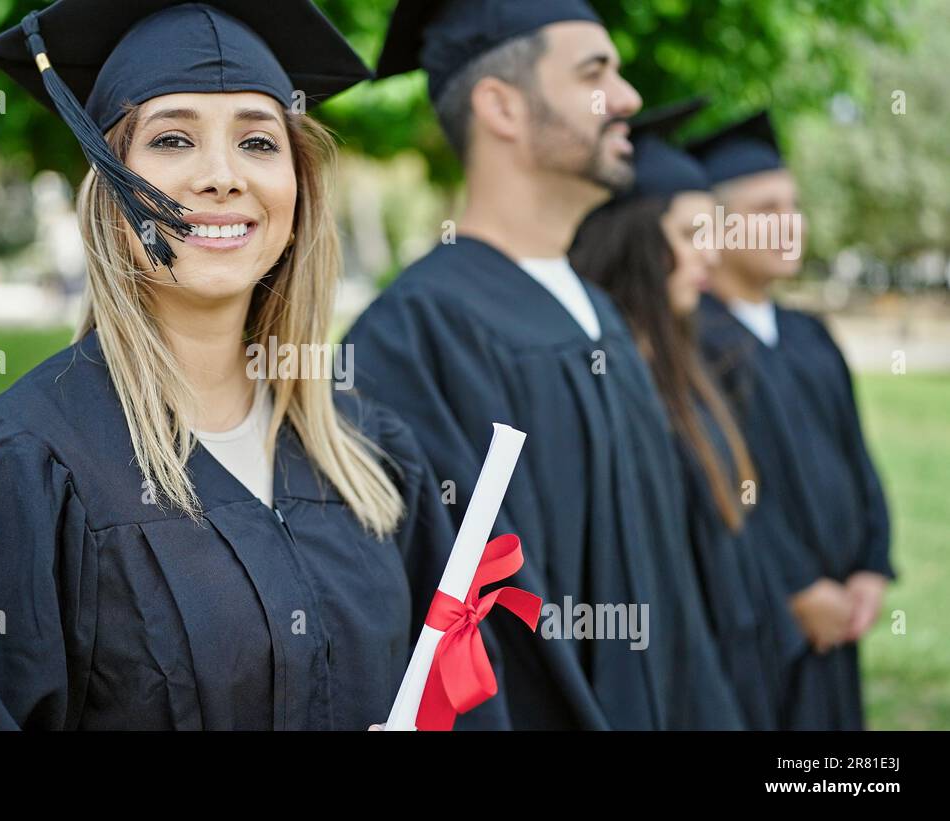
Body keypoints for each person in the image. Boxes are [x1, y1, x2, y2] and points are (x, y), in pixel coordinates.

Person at [0, 0, 506, 731]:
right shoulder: (19, 467)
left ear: (299, 185)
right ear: (108, 181)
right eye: (174, 138)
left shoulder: (373, 461)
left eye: (258, 142)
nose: (222, 176)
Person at [345, 0, 743, 729]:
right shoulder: (415, 338)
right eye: (596, 73)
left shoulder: (597, 311)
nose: (628, 98)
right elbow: (458, 642)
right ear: (501, 105)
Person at [570, 99, 806, 729]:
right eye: (691, 235)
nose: (710, 253)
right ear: (641, 242)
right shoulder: (601, 379)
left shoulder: (696, 364)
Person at [688, 111, 894, 729]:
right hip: (758, 623)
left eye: (794, 206)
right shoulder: (692, 347)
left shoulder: (810, 334)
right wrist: (798, 589)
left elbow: (856, 457)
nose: (790, 225)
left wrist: (871, 566)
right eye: (766, 210)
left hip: (841, 618)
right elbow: (713, 488)